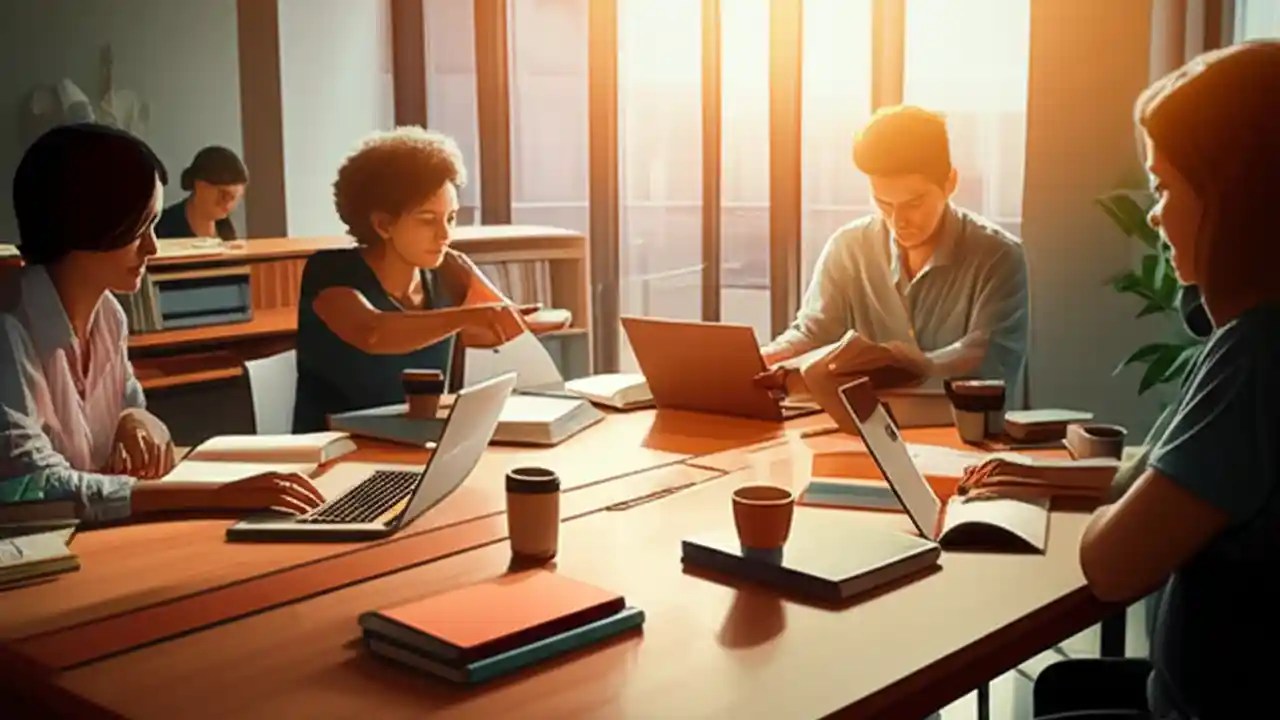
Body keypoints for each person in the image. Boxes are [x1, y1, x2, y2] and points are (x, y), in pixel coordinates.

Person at [1031, 41, 1280, 719]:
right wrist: (1051, 481)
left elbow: (1111, 565)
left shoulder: (1258, 354)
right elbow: (1156, 476)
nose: (1154, 214)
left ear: (1238, 199)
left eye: (1166, 186)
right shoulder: (1251, 340)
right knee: (1060, 690)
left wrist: (1097, 513)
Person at [0, 124, 322, 522]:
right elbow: (33, 485)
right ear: (89, 222)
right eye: (140, 228)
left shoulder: (109, 317)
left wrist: (134, 419)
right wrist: (209, 497)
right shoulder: (10, 329)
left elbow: (135, 410)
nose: (152, 247)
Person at [292, 127, 556, 432]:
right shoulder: (330, 271)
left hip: (422, 443)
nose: (445, 235)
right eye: (428, 220)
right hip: (334, 452)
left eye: (451, 218)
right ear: (383, 224)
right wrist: (470, 317)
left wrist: (534, 319)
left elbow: (502, 321)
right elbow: (372, 331)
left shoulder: (451, 268)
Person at [759, 105, 1029, 404]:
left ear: (950, 182)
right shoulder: (848, 247)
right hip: (860, 434)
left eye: (913, 203)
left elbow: (989, 360)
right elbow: (814, 332)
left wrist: (918, 364)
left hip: (965, 437)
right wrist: (769, 357)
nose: (898, 221)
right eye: (884, 203)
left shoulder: (999, 256)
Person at [154, 145, 247, 240]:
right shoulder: (162, 228)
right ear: (200, 186)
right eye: (224, 195)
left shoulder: (225, 228)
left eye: (235, 198)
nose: (229, 204)